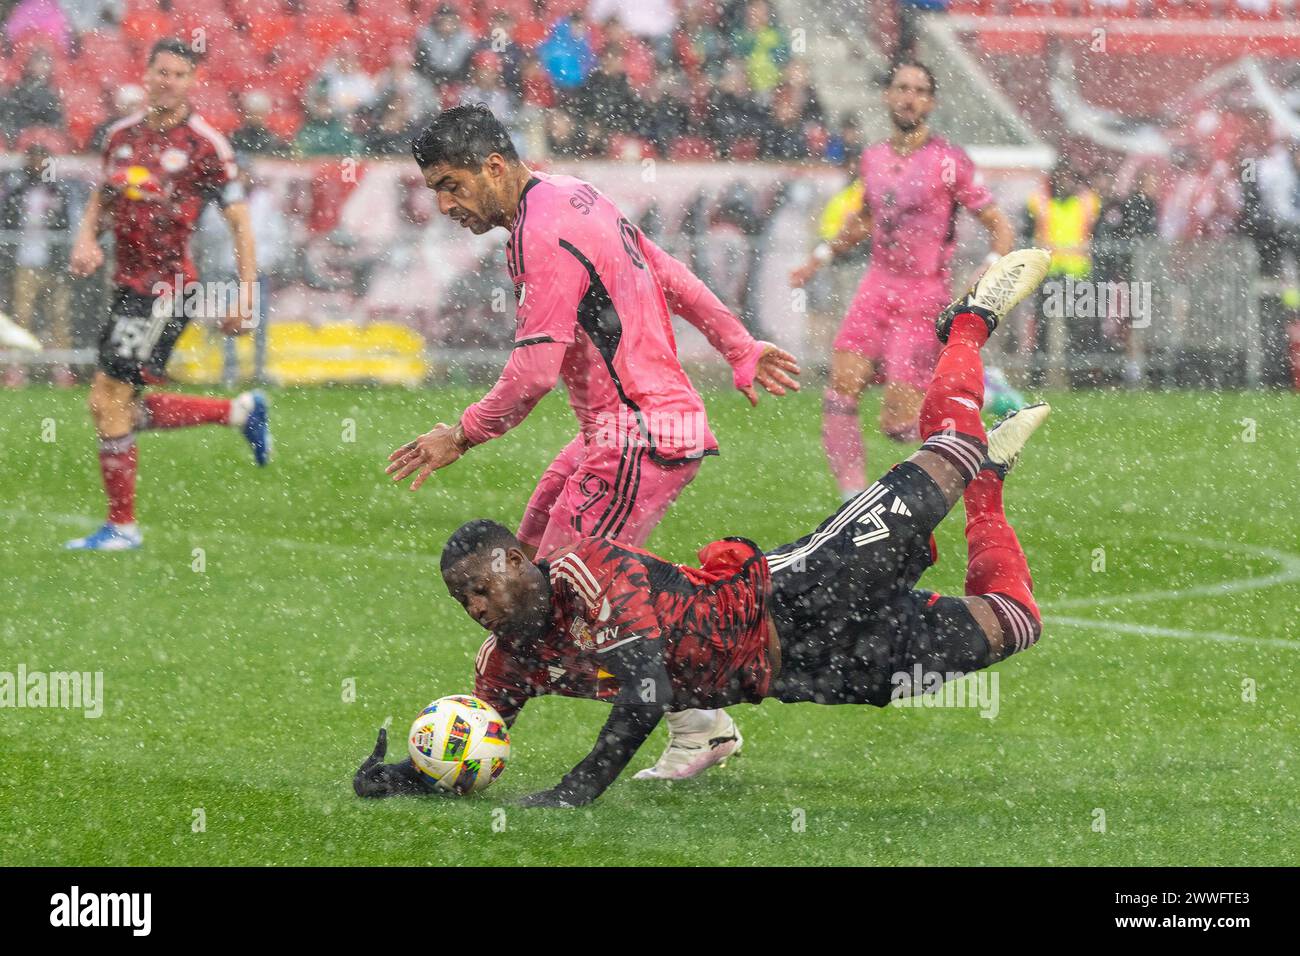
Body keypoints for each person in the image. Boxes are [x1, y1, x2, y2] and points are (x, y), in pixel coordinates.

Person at [355, 250, 1053, 805]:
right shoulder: (506, 660)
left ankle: (967, 325)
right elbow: (476, 731)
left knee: (949, 456)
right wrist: (404, 778)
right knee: (1014, 624)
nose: (476, 609)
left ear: (515, 559)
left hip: (799, 586)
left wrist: (578, 788)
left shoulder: (586, 569)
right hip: (800, 671)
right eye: (463, 602)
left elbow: (648, 689)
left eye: (479, 588)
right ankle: (990, 485)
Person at [386, 105, 801, 779]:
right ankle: (691, 711)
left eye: (450, 185)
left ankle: (700, 711)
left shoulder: (540, 235)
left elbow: (531, 375)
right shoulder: (573, 194)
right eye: (435, 189)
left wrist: (460, 434)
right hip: (613, 433)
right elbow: (665, 269)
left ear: (494, 167)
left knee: (556, 613)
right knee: (526, 563)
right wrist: (738, 342)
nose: (444, 204)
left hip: (637, 438)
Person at [64, 38, 269, 552]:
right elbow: (102, 197)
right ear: (147, 73)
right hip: (125, 284)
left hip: (167, 288)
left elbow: (241, 225)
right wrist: (87, 237)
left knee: (106, 398)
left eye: (179, 74)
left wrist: (247, 297)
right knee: (117, 404)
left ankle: (123, 528)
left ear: (191, 81)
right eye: (161, 72)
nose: (168, 81)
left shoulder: (206, 145)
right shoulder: (121, 136)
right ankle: (239, 411)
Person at [789, 60, 1014, 502]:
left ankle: (988, 394)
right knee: (841, 386)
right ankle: (851, 497)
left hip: (922, 293)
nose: (909, 97)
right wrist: (819, 257)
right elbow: (866, 219)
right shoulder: (873, 157)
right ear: (888, 96)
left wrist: (989, 266)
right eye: (901, 88)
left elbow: (998, 224)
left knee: (898, 426)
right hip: (876, 284)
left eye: (918, 90)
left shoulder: (949, 162)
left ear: (930, 102)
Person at [1, 143, 74, 387]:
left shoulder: (58, 192)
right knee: (22, 316)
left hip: (53, 264)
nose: (38, 164)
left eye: (42, 160)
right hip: (24, 263)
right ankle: (18, 366)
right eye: (34, 159)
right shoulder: (17, 191)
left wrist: (62, 258)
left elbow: (66, 224)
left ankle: (61, 366)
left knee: (59, 316)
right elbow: (8, 222)